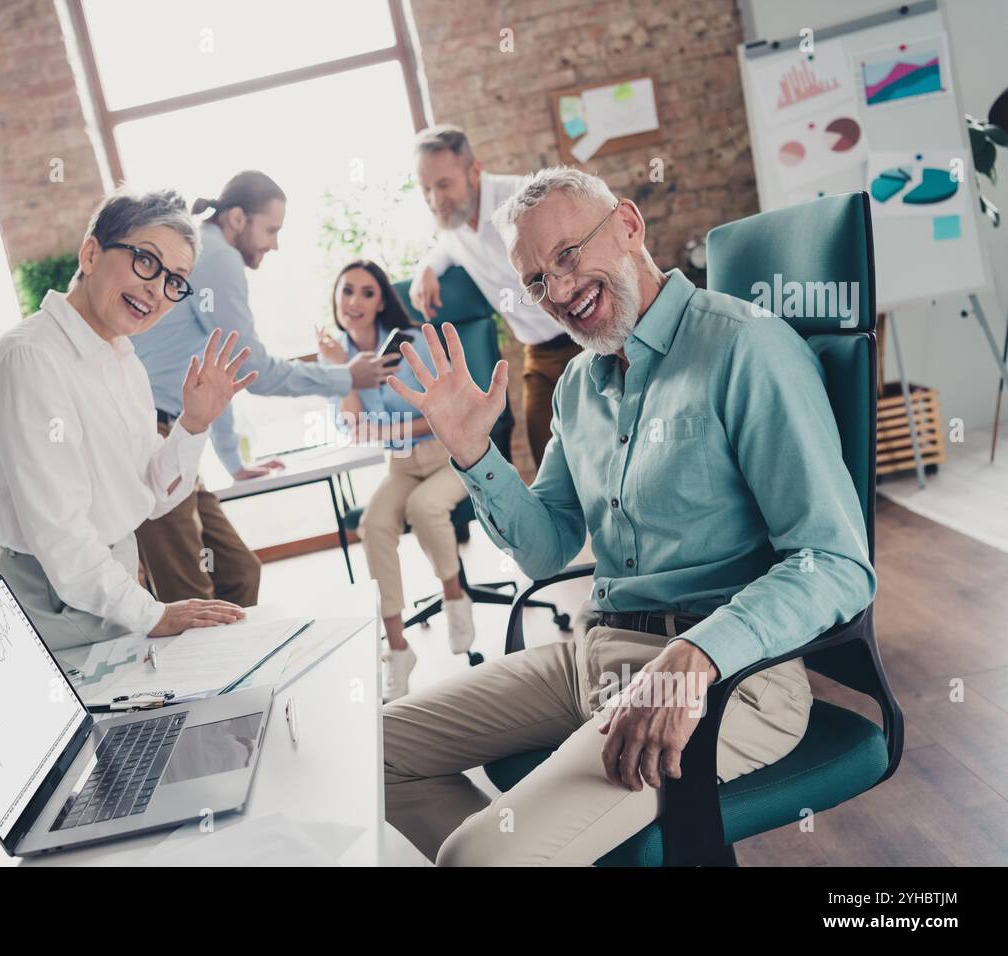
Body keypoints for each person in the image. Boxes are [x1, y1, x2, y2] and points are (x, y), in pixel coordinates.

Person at [381, 166, 876, 865]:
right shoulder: (582, 383)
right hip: (599, 653)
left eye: (567, 255)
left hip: (728, 675)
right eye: (533, 281)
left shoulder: (745, 347)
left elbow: (835, 564)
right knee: (377, 749)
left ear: (628, 224)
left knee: (477, 859)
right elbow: (549, 548)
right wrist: (473, 454)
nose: (556, 291)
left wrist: (699, 653)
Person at [0, 187, 256, 651]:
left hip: (104, 582)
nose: (156, 289)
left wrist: (193, 424)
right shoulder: (31, 358)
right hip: (53, 598)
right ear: (91, 253)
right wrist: (151, 612)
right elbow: (60, 534)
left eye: (174, 280)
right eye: (146, 261)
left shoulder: (123, 361)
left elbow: (152, 498)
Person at [131, 171, 400, 607]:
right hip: (148, 439)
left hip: (173, 436)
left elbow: (219, 369)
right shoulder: (217, 258)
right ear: (237, 218)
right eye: (271, 229)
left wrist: (234, 462)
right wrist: (347, 376)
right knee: (192, 594)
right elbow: (254, 370)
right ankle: (211, 677)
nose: (274, 244)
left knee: (238, 574)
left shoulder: (209, 251)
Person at [316, 261, 475, 701]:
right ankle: (399, 650)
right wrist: (341, 371)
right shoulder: (339, 357)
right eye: (347, 290)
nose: (355, 302)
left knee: (425, 507)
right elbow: (353, 425)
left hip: (448, 456)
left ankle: (454, 596)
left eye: (368, 293)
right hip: (401, 466)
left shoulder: (410, 345)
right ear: (335, 297)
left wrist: (385, 431)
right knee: (374, 525)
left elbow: (444, 415)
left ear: (382, 300)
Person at [409, 124, 583, 468]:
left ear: (475, 170)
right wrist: (425, 268)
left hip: (585, 336)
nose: (434, 200)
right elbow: (443, 247)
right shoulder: (452, 222)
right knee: (548, 462)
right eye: (425, 188)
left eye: (444, 185)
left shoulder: (524, 197)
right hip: (540, 354)